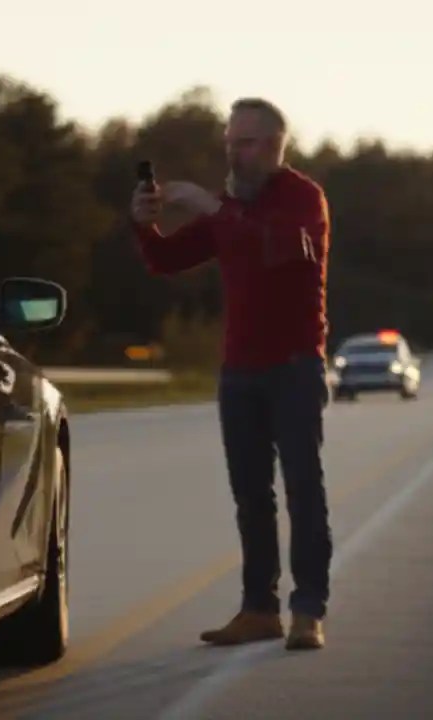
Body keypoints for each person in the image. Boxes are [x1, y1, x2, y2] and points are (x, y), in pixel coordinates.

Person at [129, 97, 332, 651]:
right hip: (239, 370)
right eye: (227, 143)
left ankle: (308, 610)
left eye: (242, 143)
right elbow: (167, 261)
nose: (232, 153)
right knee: (251, 496)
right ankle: (258, 609)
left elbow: (278, 247)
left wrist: (210, 208)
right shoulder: (229, 208)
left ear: (271, 146)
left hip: (294, 367)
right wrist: (144, 225)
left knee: (302, 488)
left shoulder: (302, 199)